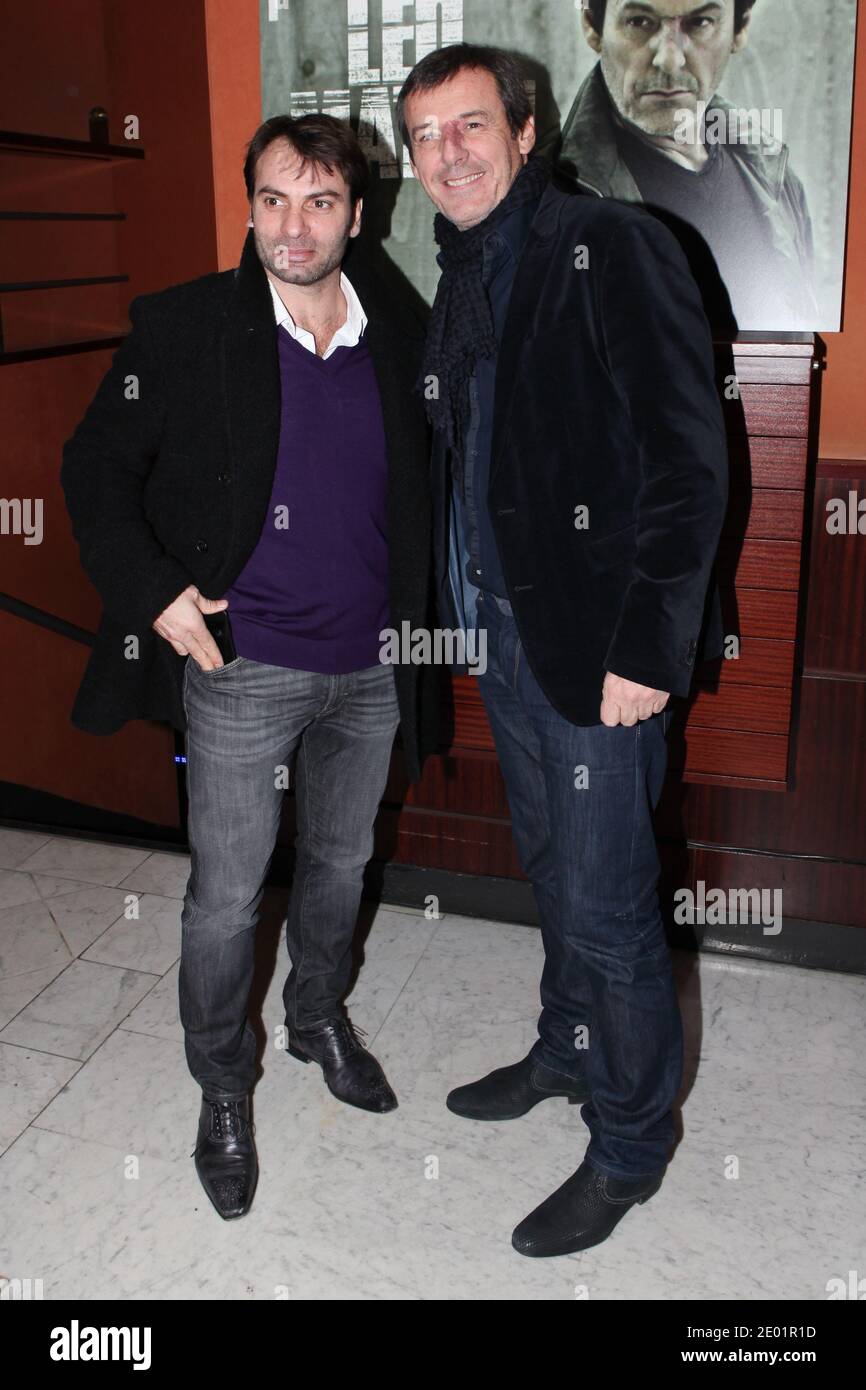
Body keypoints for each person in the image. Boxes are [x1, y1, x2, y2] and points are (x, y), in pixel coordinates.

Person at [61, 114, 439, 1220]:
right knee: (225, 900)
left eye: (318, 201)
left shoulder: (401, 332)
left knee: (337, 865)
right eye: (272, 198)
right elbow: (92, 466)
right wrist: (153, 590)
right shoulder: (185, 328)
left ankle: (317, 1013)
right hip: (240, 665)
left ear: (356, 217)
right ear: (247, 206)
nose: (292, 223)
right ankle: (223, 1085)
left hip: (369, 666)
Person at [397, 42, 728, 1257]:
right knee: (552, 872)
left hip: (598, 659)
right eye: (426, 136)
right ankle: (563, 1049)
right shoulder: (467, 274)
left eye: (470, 126)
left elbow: (688, 468)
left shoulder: (609, 247)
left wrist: (647, 649)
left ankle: (632, 1145)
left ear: (526, 130)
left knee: (607, 909)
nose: (449, 154)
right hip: (506, 638)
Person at [558, 0, 818, 331]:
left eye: (700, 23)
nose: (669, 58)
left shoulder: (778, 184)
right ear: (591, 27)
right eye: (639, 21)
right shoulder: (554, 194)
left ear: (739, 29)